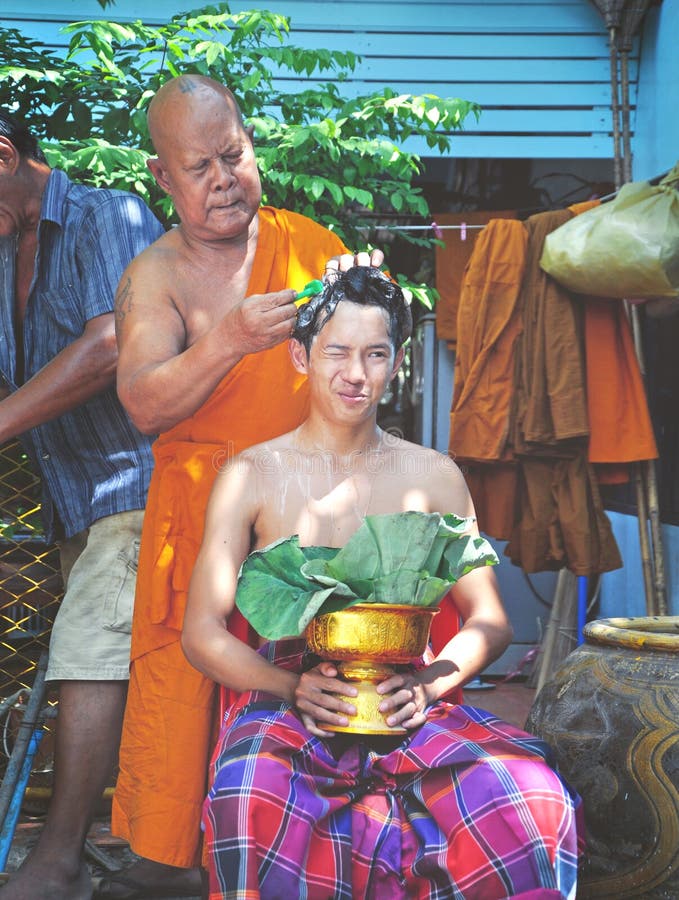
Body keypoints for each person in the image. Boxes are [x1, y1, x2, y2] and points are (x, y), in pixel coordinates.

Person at [182, 266, 584, 899]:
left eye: (375, 354)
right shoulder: (252, 475)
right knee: (249, 791)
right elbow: (201, 632)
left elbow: (490, 619)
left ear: (397, 363)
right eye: (336, 352)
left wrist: (427, 685)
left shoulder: (435, 475)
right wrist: (292, 686)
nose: (356, 373)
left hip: (407, 697)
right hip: (291, 697)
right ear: (299, 356)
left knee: (527, 795)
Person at [108, 74, 377, 898]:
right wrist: (226, 339)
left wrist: (366, 300)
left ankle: (310, 859)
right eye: (199, 167)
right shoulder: (156, 274)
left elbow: (362, 369)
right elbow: (142, 402)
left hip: (310, 517)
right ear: (163, 176)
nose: (223, 180)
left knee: (319, 697)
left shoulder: (311, 244)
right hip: (201, 523)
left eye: (234, 155)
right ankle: (190, 869)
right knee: (189, 709)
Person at [0, 111, 164, 900]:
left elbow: (111, 344)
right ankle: (159, 851)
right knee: (116, 666)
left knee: (87, 648)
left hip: (143, 482)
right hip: (75, 499)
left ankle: (59, 859)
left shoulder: (110, 217)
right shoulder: (6, 252)